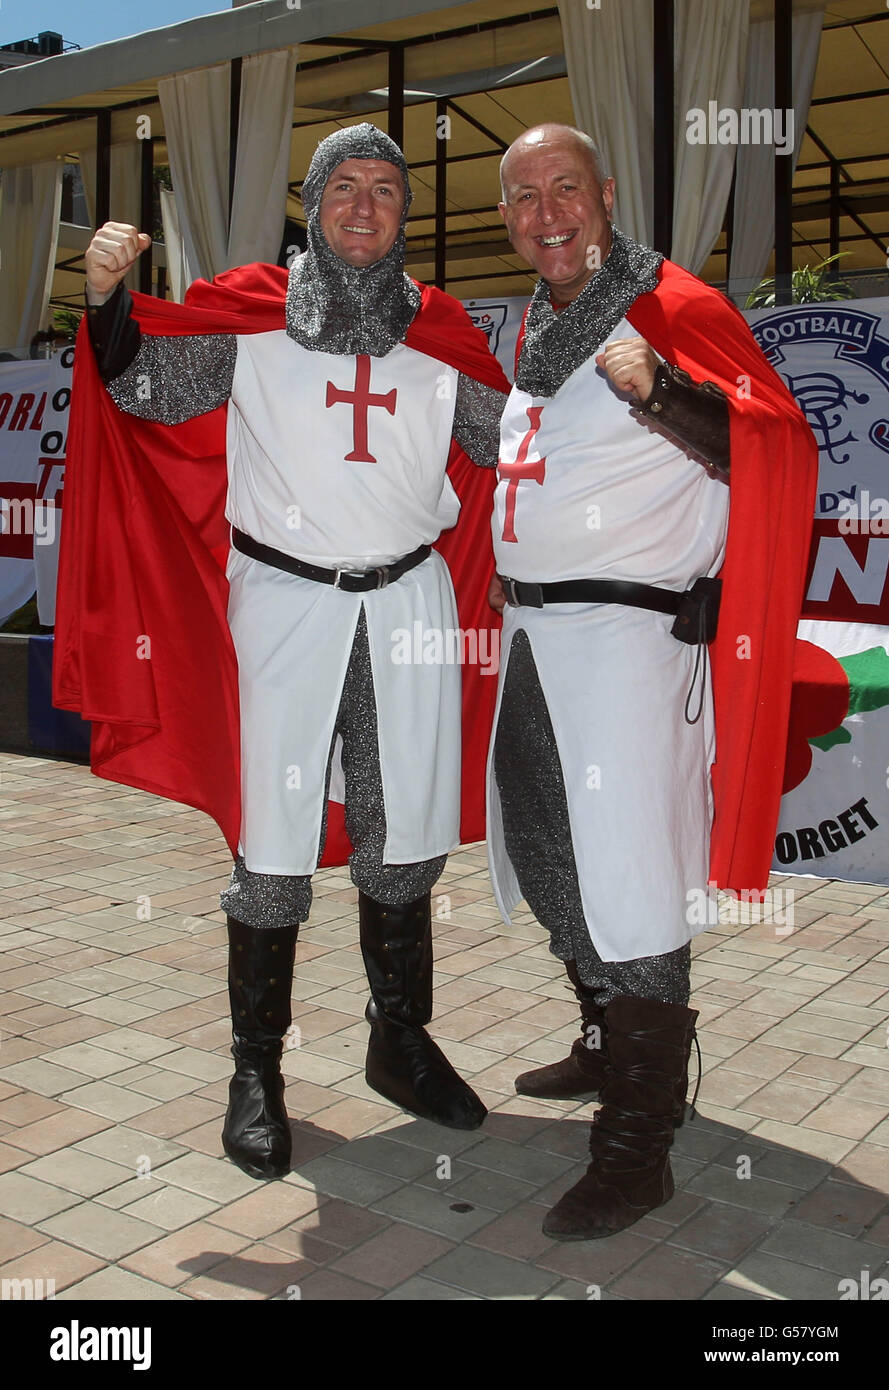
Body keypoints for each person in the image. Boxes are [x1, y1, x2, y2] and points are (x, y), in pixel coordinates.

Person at [72, 123, 509, 1180]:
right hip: (283, 604)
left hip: (408, 603)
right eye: (343, 188)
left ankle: (399, 1043)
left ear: (407, 216)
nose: (364, 206)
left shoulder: (440, 332)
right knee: (271, 841)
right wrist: (103, 297)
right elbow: (142, 390)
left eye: (385, 192)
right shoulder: (252, 316)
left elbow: (517, 449)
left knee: (402, 833)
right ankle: (255, 1072)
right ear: (313, 203)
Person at [485, 124, 816, 1240]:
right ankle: (600, 1035)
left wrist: (664, 390)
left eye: (564, 186)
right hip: (530, 639)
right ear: (509, 219)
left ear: (605, 194)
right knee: (541, 845)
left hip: (627, 643)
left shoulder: (672, 305)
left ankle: (639, 1144)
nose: (547, 211)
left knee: (630, 881)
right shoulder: (531, 327)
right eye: (524, 196)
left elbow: (771, 443)